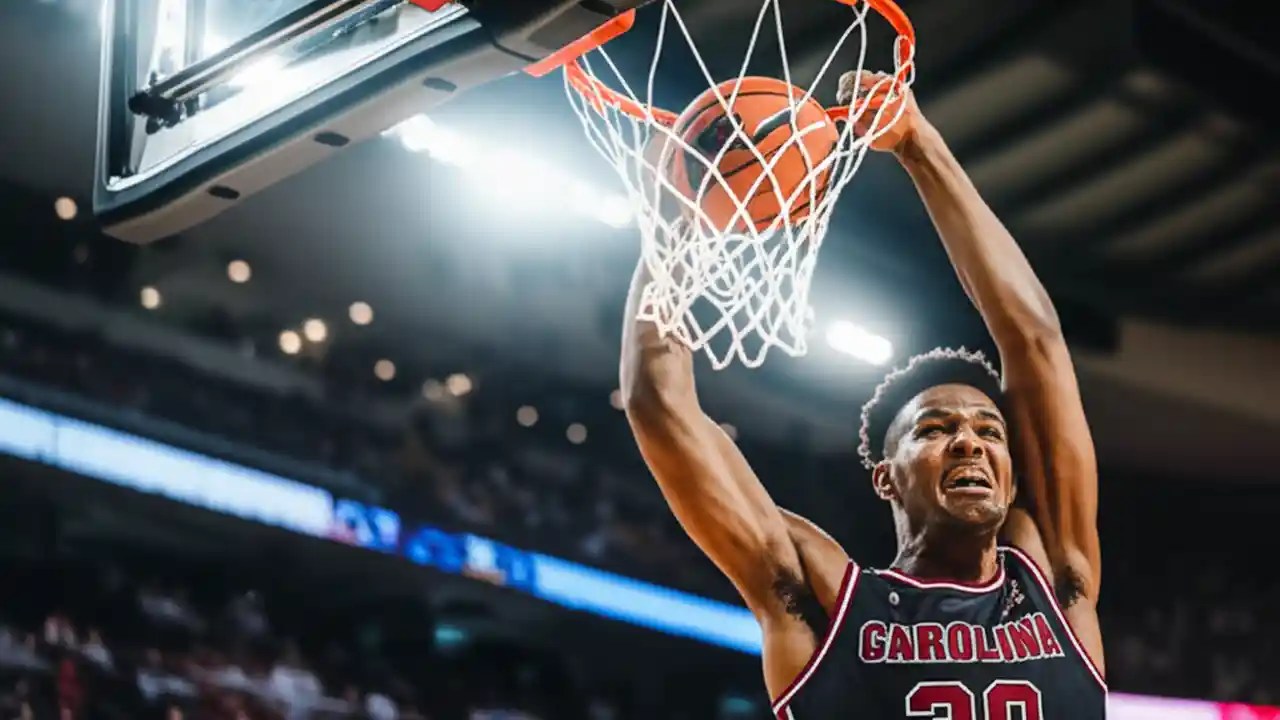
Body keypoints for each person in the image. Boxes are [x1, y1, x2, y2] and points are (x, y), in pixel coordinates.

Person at [619, 70, 1106, 718]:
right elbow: (660, 404)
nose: (968, 439)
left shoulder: (1057, 584)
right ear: (886, 479)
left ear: (1013, 480)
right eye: (934, 430)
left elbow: (1037, 343)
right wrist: (680, 220)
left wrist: (918, 143)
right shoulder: (824, 597)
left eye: (990, 432)